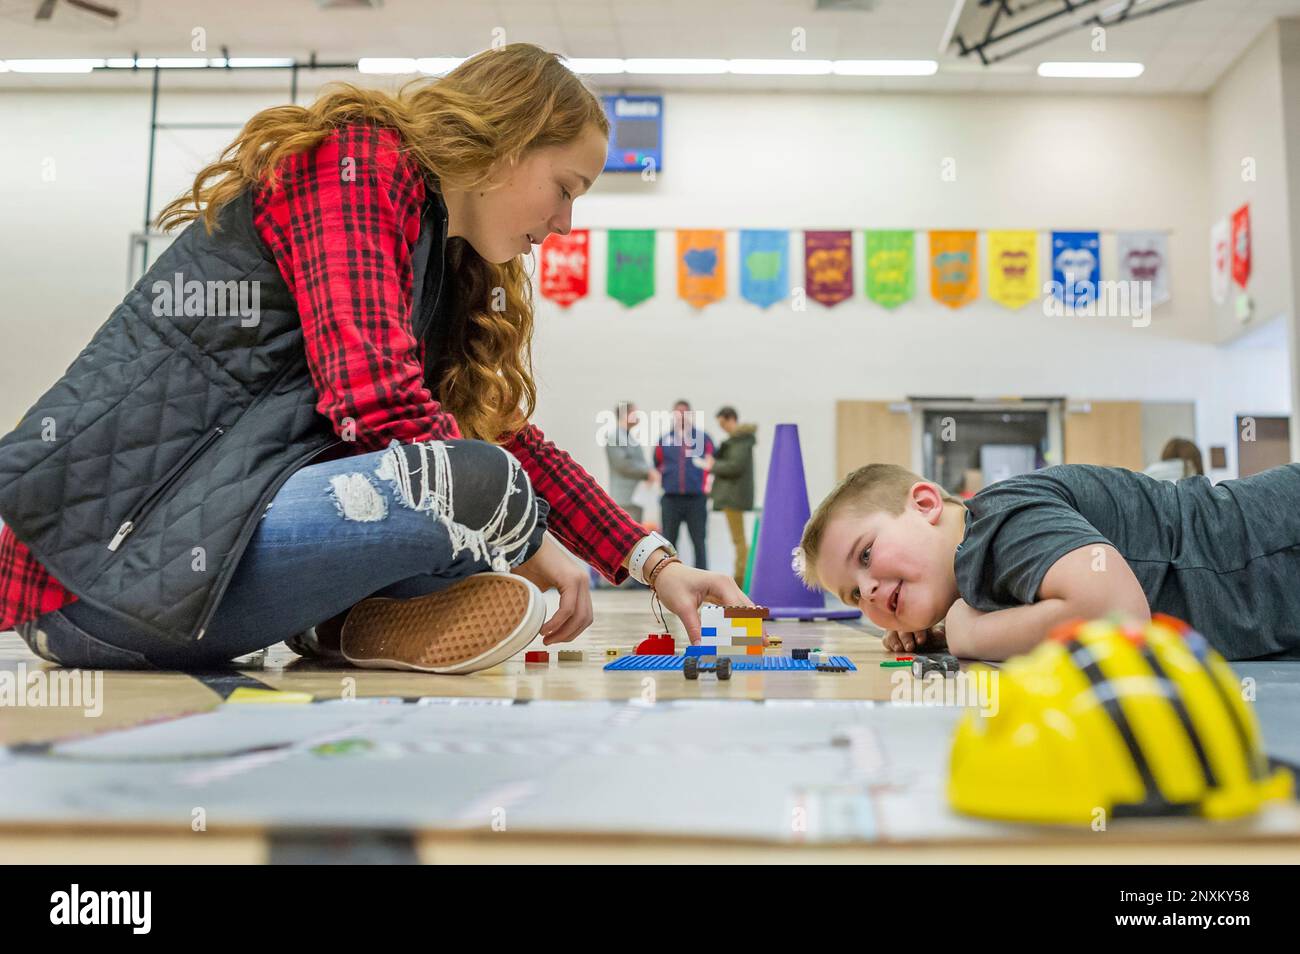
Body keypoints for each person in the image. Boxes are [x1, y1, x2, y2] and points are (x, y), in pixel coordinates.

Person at [0, 44, 746, 673]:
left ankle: (343, 624)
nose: (564, 223)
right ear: (510, 144)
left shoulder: (443, 261)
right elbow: (374, 398)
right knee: (475, 488)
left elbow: (509, 436)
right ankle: (356, 613)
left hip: (192, 587)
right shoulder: (359, 159)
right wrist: (522, 531)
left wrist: (655, 562)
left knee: (479, 480)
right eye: (565, 189)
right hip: (92, 582)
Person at [797, 461, 1300, 662]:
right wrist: (951, 628)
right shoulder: (978, 572)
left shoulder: (996, 522)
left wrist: (967, 631)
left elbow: (1116, 613)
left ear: (926, 504)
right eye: (853, 595)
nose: (870, 592)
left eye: (866, 555)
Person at [654, 400, 714, 569]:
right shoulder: (664, 439)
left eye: (684, 412)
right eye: (677, 412)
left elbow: (711, 463)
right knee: (669, 542)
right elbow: (657, 464)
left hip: (696, 499)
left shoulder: (703, 439)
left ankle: (702, 578)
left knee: (699, 541)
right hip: (670, 499)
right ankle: (670, 576)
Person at [710, 406, 757, 590]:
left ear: (730, 419)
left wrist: (713, 465)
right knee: (739, 540)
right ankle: (741, 576)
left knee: (739, 540)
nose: (722, 428)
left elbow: (734, 466)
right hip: (734, 495)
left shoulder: (740, 441)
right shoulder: (741, 440)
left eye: (722, 423)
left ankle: (741, 578)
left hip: (733, 496)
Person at [604, 401, 657, 526]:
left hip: (635, 497)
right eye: (634, 412)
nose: (638, 416)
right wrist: (647, 472)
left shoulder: (629, 437)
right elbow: (623, 464)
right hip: (625, 498)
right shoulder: (614, 437)